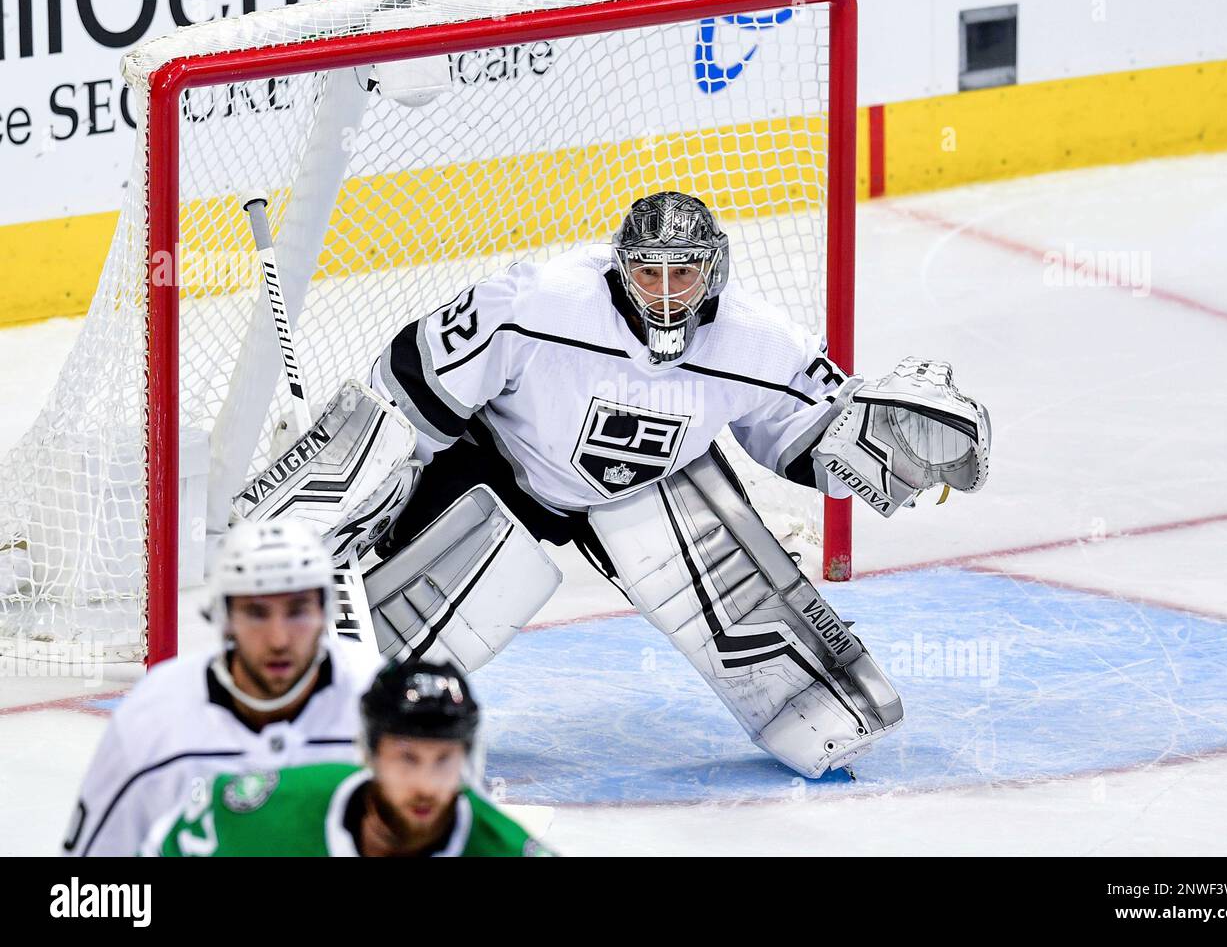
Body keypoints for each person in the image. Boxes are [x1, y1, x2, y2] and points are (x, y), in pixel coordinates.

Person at [242, 191, 992, 779]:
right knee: (409, 623)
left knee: (814, 702)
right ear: (619, 266)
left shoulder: (762, 342)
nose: (665, 293)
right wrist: (373, 490)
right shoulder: (538, 302)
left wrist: (877, 445)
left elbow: (806, 438)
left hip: (645, 492)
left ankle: (806, 698)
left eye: (684, 273)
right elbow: (411, 383)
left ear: (714, 270)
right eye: (648, 272)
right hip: (498, 469)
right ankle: (313, 697)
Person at [62, 518, 377, 856]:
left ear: (325, 611)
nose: (279, 639)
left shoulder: (377, 700)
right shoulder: (153, 718)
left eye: (298, 611)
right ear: (224, 618)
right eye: (256, 613)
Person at [143, 659, 548, 857]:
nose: (426, 784)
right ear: (369, 754)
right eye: (407, 759)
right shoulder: (259, 811)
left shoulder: (504, 850)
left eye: (443, 759)